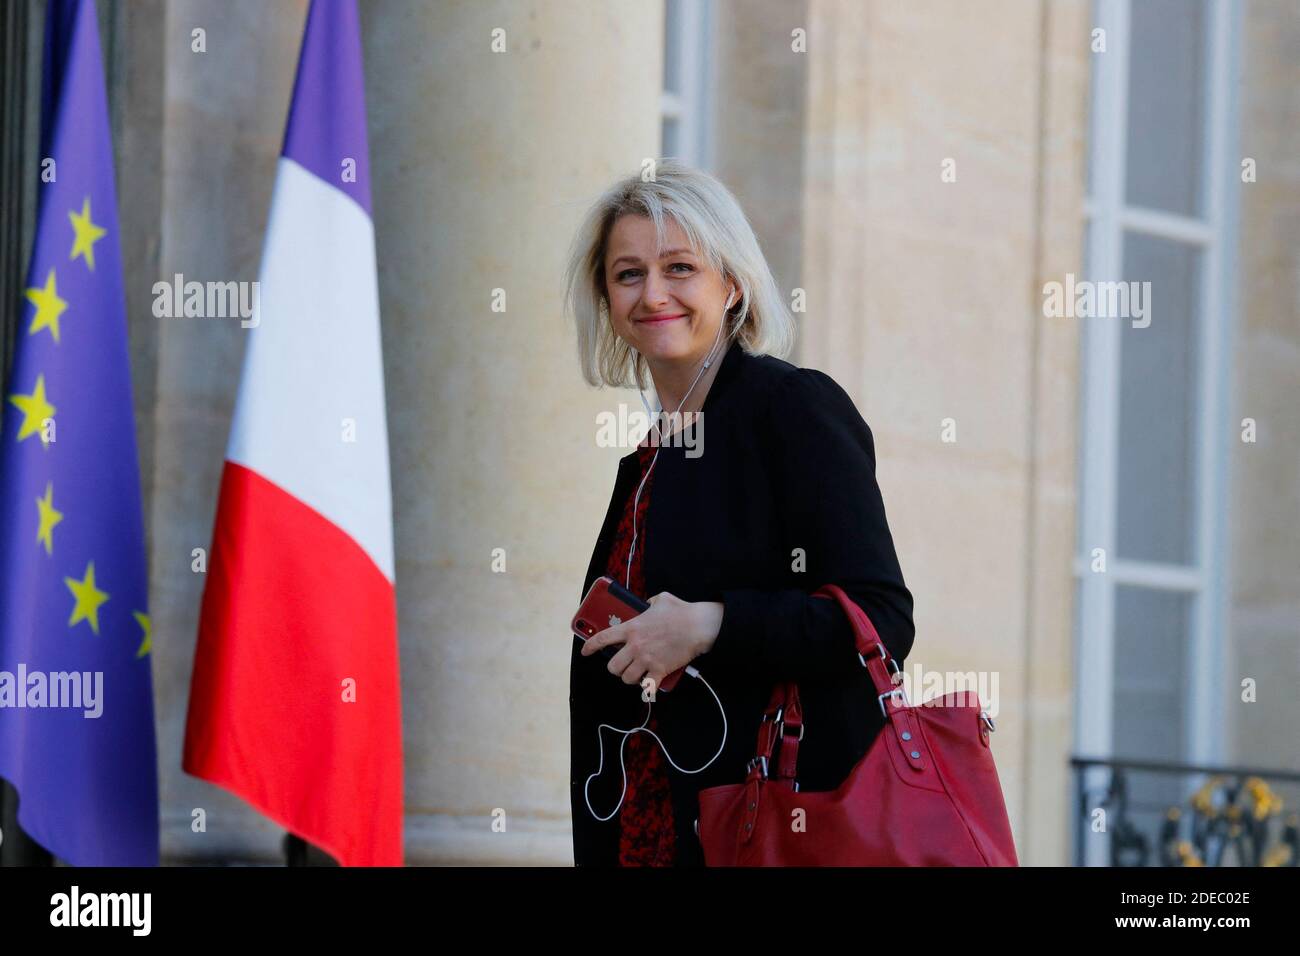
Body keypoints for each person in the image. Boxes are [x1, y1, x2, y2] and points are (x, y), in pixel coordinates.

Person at [563, 158, 915, 866]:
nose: (653, 293)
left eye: (680, 268)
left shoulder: (793, 408)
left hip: (770, 824)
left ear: (732, 284)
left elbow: (882, 616)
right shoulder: (649, 457)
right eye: (628, 274)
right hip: (647, 826)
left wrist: (709, 625)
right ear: (606, 299)